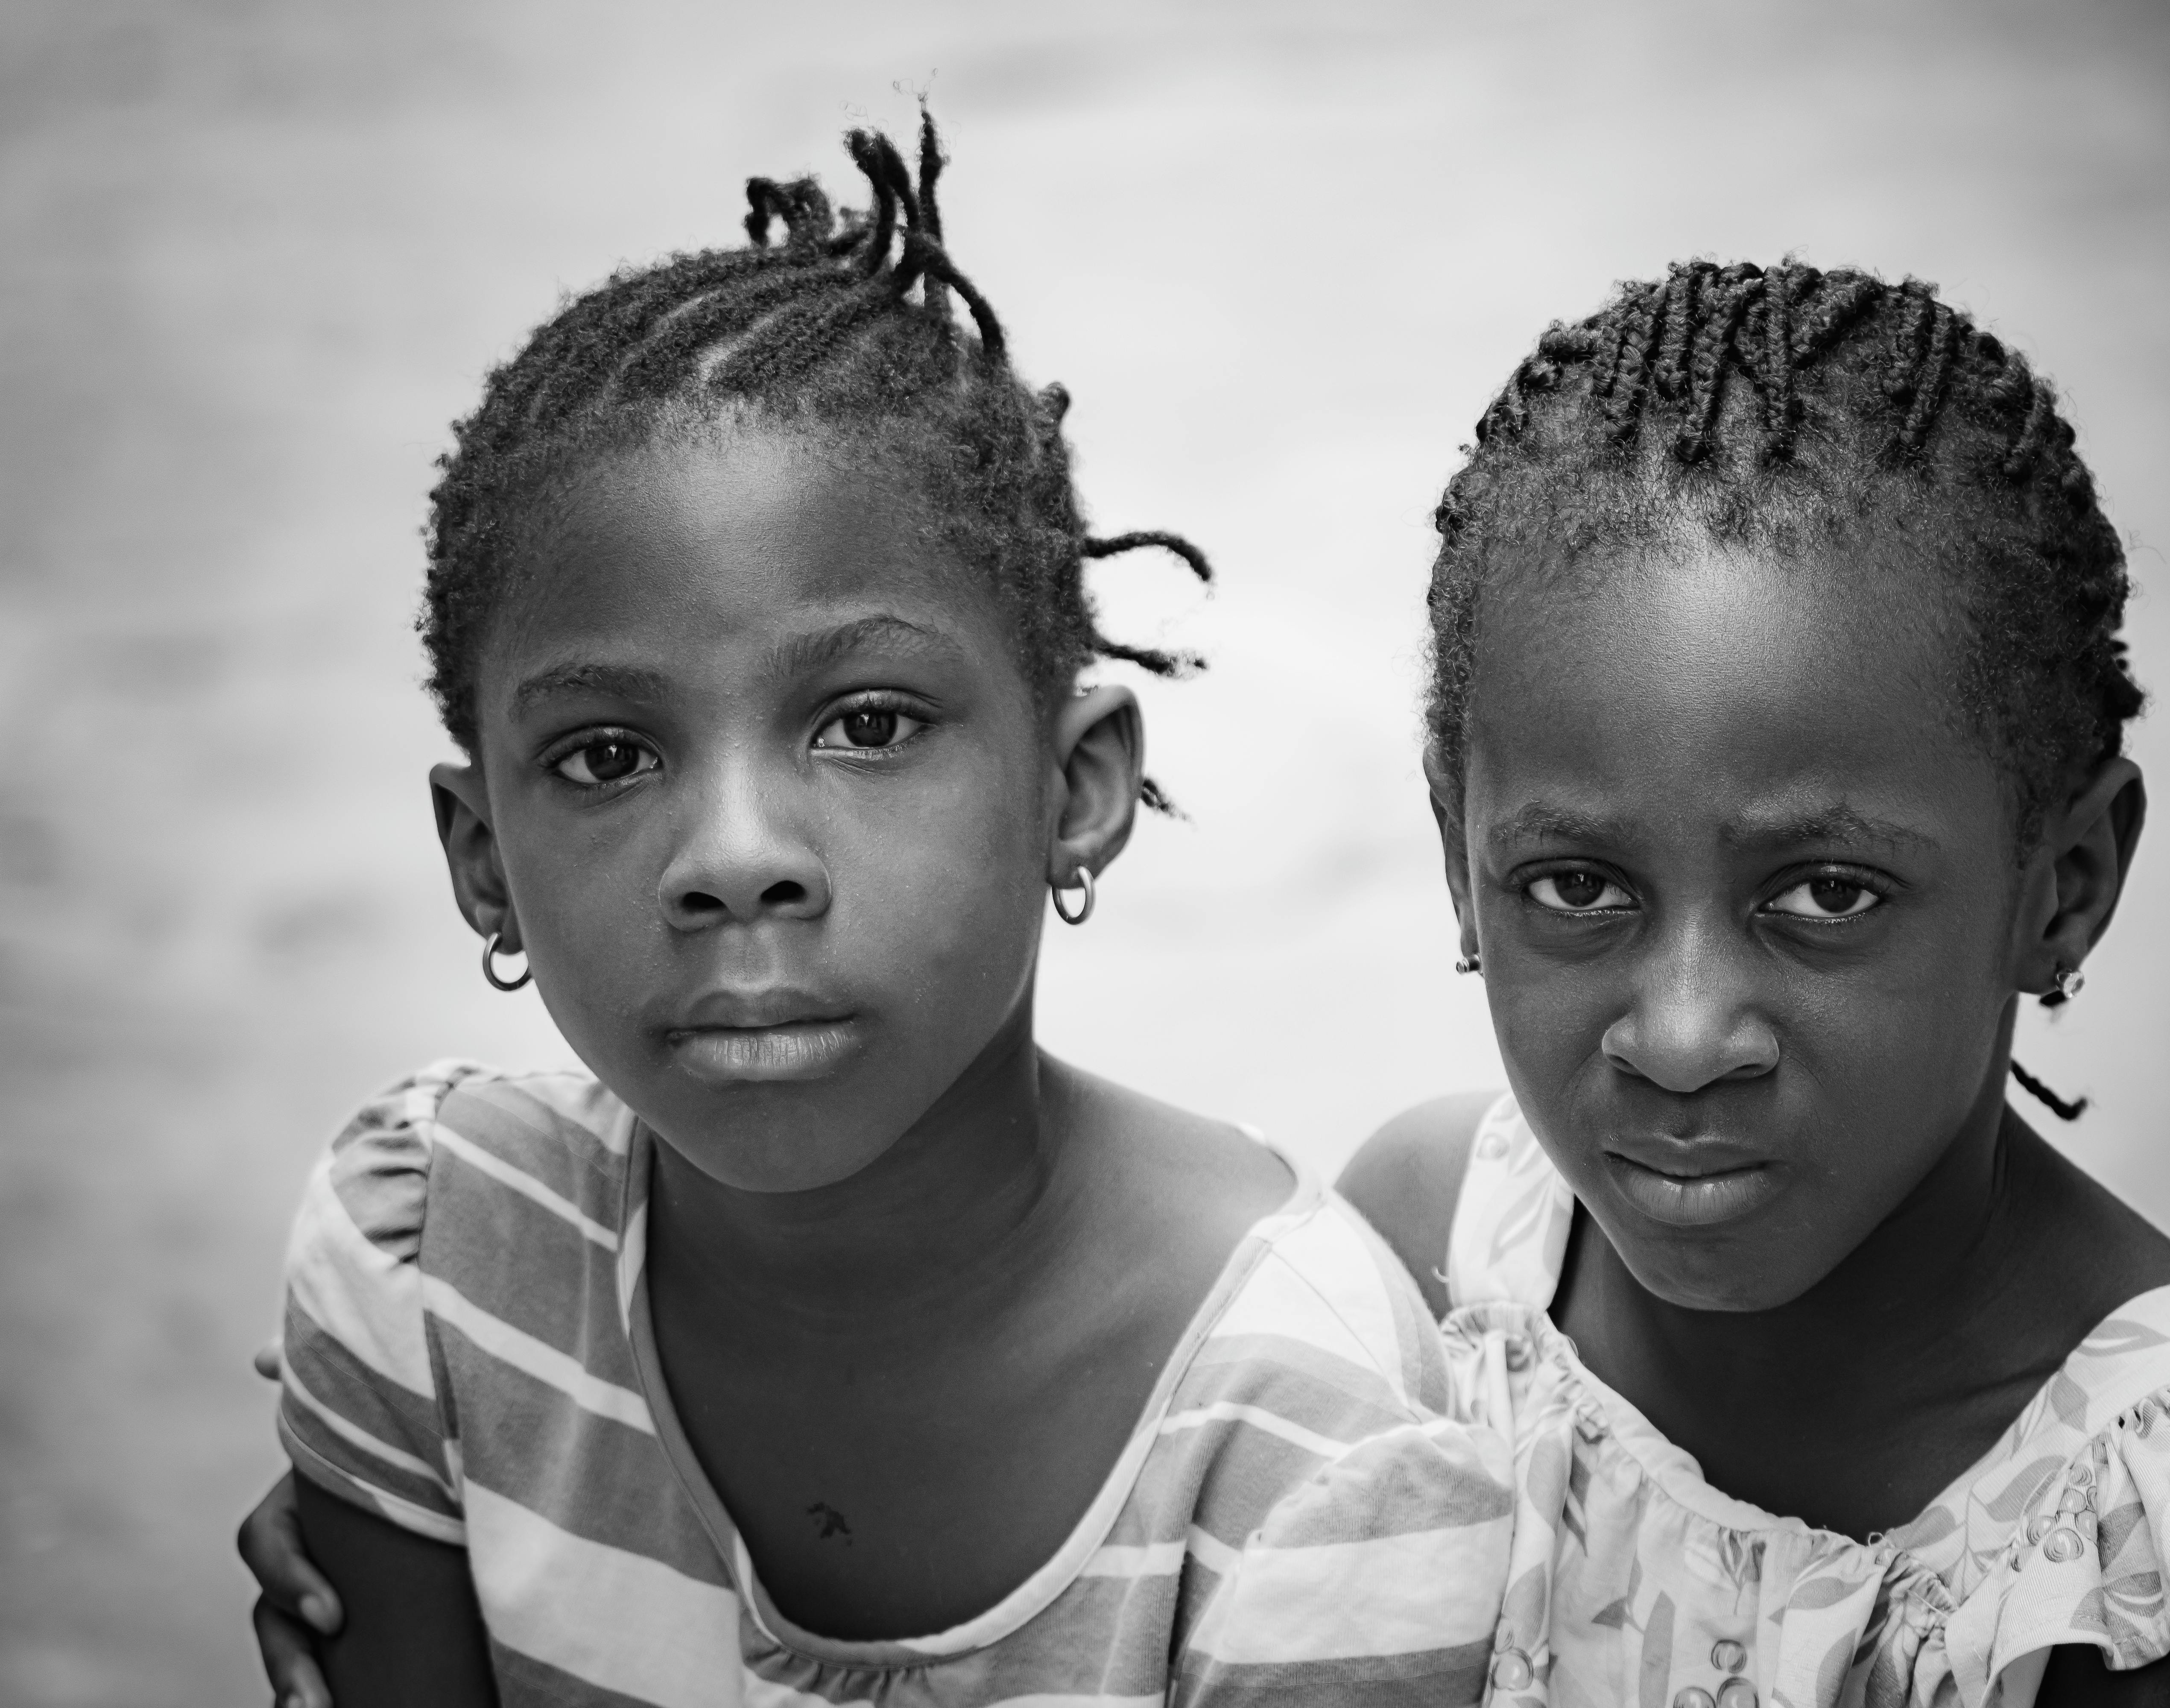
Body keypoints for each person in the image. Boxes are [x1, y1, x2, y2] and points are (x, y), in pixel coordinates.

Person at [233, 114, 1510, 1708]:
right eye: (608, 754)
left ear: (1079, 788)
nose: (737, 856)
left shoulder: (1298, 1439)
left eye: (869, 724)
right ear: (481, 855)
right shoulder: (432, 1263)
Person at [1334, 260, 2170, 1706]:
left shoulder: (2165, 1573)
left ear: (2068, 885)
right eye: (1578, 888)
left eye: (1827, 896)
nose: (1680, 1036)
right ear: (1456, 860)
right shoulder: (1433, 1266)